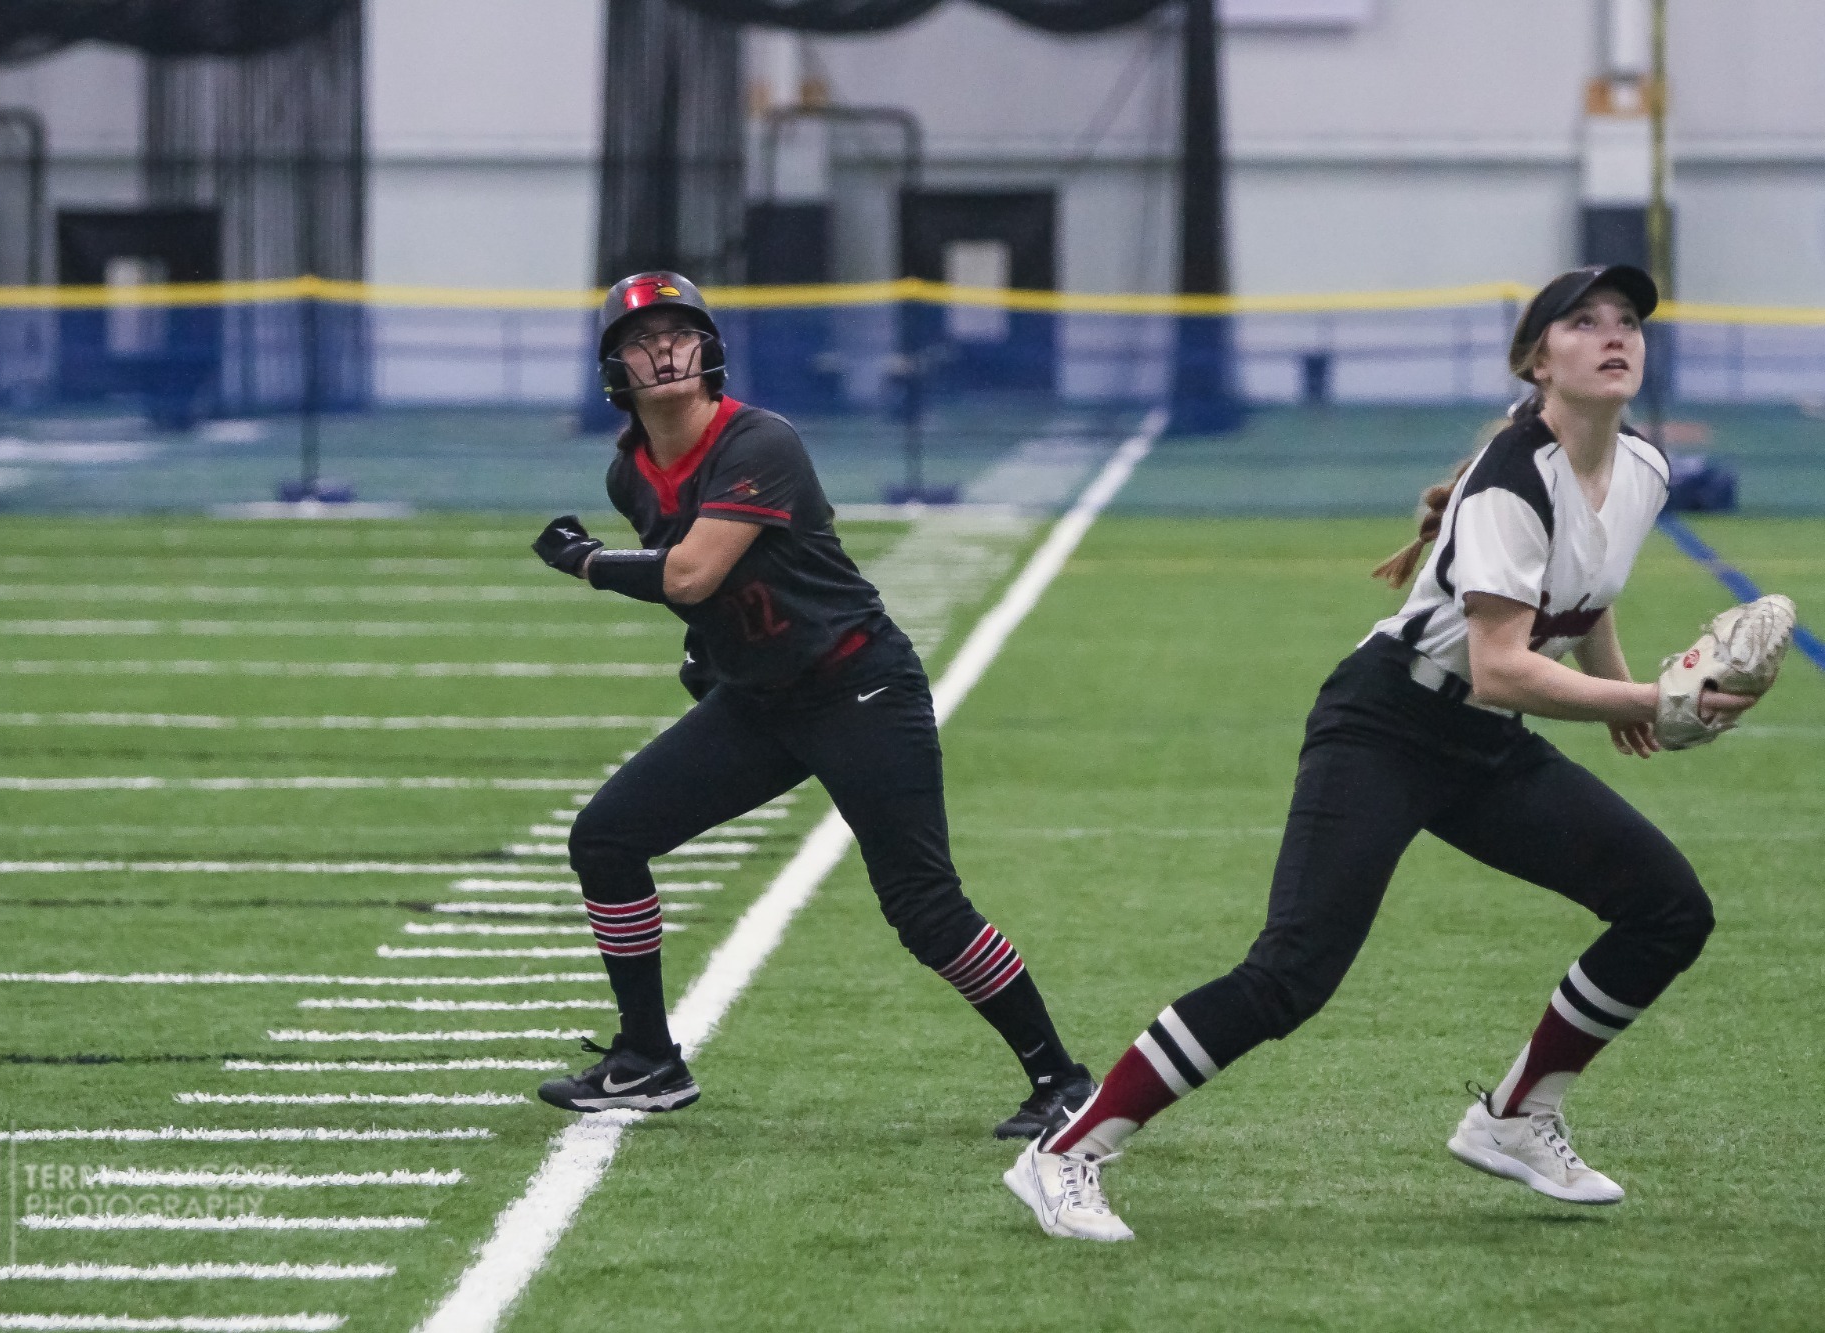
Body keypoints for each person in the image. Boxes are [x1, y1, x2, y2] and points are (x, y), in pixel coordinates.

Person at [1005, 264, 1761, 1242]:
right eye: (1583, 322)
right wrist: (1649, 700)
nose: (1613, 334)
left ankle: (1514, 1117)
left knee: (1667, 908)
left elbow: (1586, 585)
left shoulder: (1643, 468)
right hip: (1384, 725)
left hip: (1479, 741)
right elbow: (1499, 668)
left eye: (1627, 320)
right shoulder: (1509, 482)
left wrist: (1619, 690)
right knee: (1289, 974)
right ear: (1539, 360)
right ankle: (1063, 1152)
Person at [530, 271, 1093, 1136]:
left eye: (678, 332)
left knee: (923, 906)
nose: (664, 350)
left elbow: (691, 572)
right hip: (761, 698)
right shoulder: (629, 472)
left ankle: (1063, 1079)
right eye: (642, 339)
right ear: (616, 368)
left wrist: (587, 562)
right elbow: (708, 595)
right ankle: (648, 1058)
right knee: (605, 837)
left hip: (857, 686)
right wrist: (710, 654)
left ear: (708, 348)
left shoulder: (760, 440)